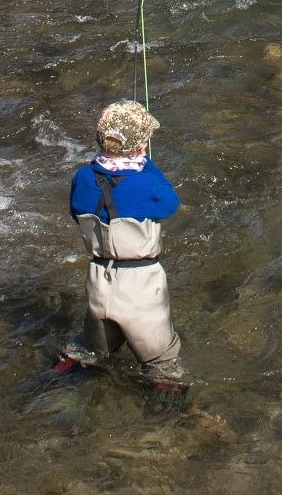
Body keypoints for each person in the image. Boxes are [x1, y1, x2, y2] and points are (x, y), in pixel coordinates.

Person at [56, 100, 186, 391]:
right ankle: (169, 428)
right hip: (141, 291)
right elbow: (170, 204)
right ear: (140, 146)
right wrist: (147, 164)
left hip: (99, 284)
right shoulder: (148, 183)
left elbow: (76, 210)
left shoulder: (82, 177)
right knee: (165, 372)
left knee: (88, 357)